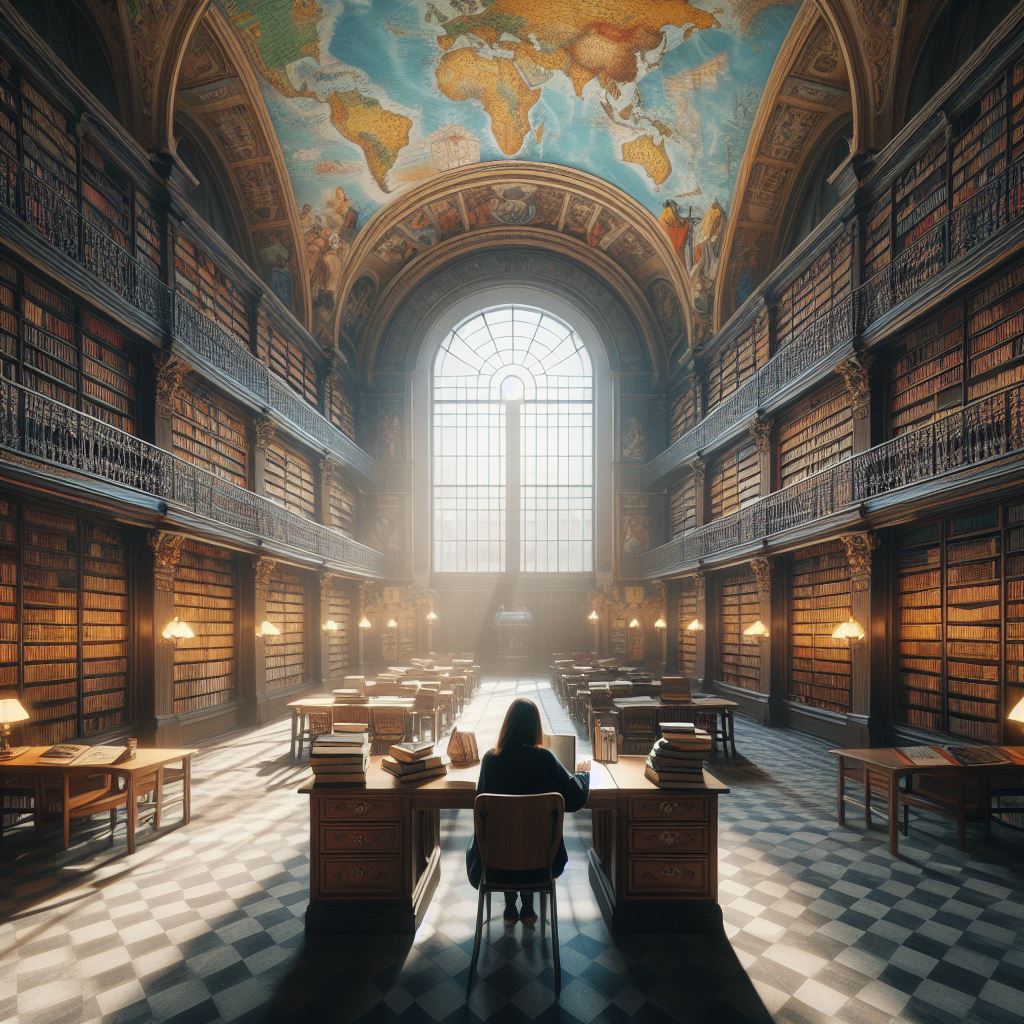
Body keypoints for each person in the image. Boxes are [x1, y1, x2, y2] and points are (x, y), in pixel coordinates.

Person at [466, 697, 591, 927]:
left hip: (493, 866)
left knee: (505, 831)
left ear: (507, 726)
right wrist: (584, 776)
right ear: (536, 728)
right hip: (541, 866)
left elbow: (483, 811)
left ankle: (511, 906)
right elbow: (575, 799)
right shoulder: (545, 759)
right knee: (529, 834)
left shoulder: (490, 761)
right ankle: (528, 906)